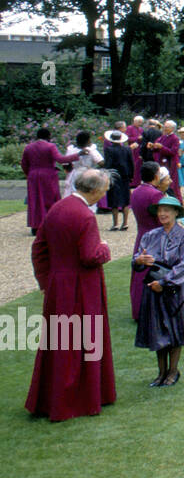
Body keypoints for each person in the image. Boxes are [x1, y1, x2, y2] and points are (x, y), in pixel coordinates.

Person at [26, 169, 116, 421]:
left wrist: (46, 281)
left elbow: (38, 248)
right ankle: (80, 399)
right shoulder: (85, 216)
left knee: (59, 342)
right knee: (84, 339)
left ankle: (51, 398)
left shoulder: (57, 208)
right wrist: (104, 250)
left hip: (58, 285)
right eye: (105, 190)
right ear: (95, 190)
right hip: (82, 286)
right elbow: (90, 256)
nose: (104, 194)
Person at [132, 195, 184, 388]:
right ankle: (161, 372)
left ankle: (173, 371)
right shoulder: (150, 236)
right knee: (157, 329)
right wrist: (138, 261)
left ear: (176, 213)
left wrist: (165, 282)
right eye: (160, 210)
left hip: (175, 289)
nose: (163, 214)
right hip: (153, 289)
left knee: (176, 329)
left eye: (167, 210)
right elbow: (138, 259)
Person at [129, 162, 170, 321]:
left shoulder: (136, 192)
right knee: (154, 271)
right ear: (155, 176)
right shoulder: (155, 195)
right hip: (156, 236)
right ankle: (150, 310)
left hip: (142, 234)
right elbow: (163, 219)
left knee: (140, 272)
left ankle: (138, 308)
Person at [21, 128, 79, 236]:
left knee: (35, 200)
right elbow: (60, 159)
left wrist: (29, 174)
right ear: (48, 136)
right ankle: (49, 225)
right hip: (48, 175)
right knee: (50, 199)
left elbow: (24, 164)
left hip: (33, 175)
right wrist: (77, 155)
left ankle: (35, 226)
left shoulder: (28, 147)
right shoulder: (50, 146)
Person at [102, 130, 134, 230]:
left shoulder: (108, 150)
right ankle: (125, 223)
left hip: (113, 176)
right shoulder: (127, 149)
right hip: (125, 176)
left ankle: (115, 224)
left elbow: (108, 164)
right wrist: (131, 176)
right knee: (125, 200)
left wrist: (106, 174)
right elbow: (131, 163)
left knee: (114, 200)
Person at [61, 130, 103, 200]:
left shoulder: (71, 150)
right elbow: (101, 163)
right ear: (88, 141)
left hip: (74, 174)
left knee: (73, 193)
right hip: (88, 174)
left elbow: (65, 166)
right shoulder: (91, 150)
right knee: (86, 194)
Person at [153, 121, 181, 199]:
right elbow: (157, 148)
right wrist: (153, 146)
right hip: (161, 162)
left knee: (171, 183)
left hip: (170, 164)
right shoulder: (163, 137)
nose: (165, 128)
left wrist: (162, 147)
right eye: (164, 127)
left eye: (167, 127)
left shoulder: (175, 138)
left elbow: (173, 152)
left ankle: (175, 200)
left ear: (172, 128)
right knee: (160, 181)